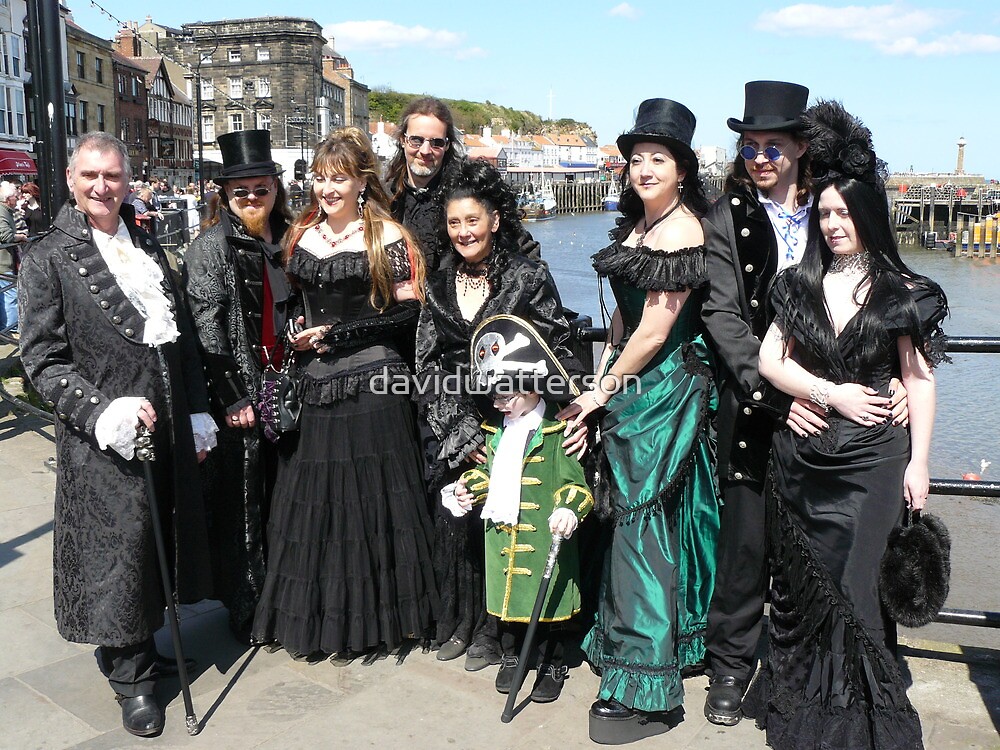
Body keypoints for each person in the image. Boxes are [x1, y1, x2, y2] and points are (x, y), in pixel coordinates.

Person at [741, 101, 947, 750]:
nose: (833, 223)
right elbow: (768, 359)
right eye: (824, 213)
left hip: (875, 467)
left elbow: (920, 379)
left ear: (868, 217)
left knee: (859, 597)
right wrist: (828, 390)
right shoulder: (799, 284)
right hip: (805, 466)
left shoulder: (898, 291)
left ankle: (867, 728)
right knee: (811, 597)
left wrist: (919, 463)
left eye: (844, 213)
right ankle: (815, 720)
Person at [16, 132, 217, 737]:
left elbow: (176, 344)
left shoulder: (150, 247)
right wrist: (103, 411)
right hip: (102, 435)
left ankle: (141, 645)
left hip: (164, 425)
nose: (102, 187)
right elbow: (42, 361)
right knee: (117, 552)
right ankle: (130, 678)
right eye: (90, 177)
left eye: (112, 176)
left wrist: (197, 412)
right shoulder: (46, 256)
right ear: (72, 181)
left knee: (155, 539)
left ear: (127, 181)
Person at [558, 98, 720, 743]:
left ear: (682, 170)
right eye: (637, 159)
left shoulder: (682, 231)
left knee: (643, 531)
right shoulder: (637, 228)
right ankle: (651, 649)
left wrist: (602, 393)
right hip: (635, 385)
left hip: (668, 388)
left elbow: (656, 329)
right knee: (640, 527)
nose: (644, 169)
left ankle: (648, 692)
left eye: (659, 159)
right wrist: (603, 381)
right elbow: (625, 323)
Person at [251, 127, 436, 662]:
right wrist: (297, 334)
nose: (327, 188)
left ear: (362, 181)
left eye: (339, 178)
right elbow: (288, 304)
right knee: (320, 501)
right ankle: (320, 616)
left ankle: (380, 620)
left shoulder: (388, 236)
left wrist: (339, 334)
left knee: (371, 501)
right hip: (314, 381)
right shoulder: (301, 233)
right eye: (320, 177)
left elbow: (409, 312)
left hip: (375, 381)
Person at [414, 158, 584, 671]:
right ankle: (461, 623)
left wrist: (570, 408)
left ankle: (497, 633)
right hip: (452, 419)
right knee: (459, 523)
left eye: (473, 220)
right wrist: (456, 426)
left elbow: (559, 343)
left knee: (508, 522)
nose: (464, 231)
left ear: (494, 219)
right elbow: (423, 362)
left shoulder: (528, 274)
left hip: (514, 415)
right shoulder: (437, 283)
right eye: (454, 222)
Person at [699, 80, 816, 725]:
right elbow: (722, 313)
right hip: (751, 401)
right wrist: (772, 390)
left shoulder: (831, 212)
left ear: (800, 146)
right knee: (743, 541)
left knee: (811, 540)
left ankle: (803, 662)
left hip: (825, 401)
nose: (761, 156)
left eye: (774, 145)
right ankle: (731, 666)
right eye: (750, 145)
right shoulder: (726, 216)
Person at [184, 130, 294, 638]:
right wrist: (233, 396)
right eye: (241, 193)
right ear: (224, 196)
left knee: (286, 495)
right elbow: (207, 326)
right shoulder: (208, 249)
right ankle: (248, 605)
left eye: (260, 189)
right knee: (245, 504)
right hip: (245, 395)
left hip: (293, 386)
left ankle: (289, 592)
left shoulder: (292, 238)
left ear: (276, 188)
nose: (252, 199)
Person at [450, 315, 593, 703]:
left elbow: (576, 485)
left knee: (549, 610)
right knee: (510, 607)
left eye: (506, 395)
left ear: (531, 387)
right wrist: (470, 488)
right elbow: (487, 471)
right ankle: (513, 657)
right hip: (502, 535)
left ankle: (553, 663)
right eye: (493, 395)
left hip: (545, 536)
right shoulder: (496, 428)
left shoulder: (555, 430)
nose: (498, 403)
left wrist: (568, 509)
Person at [384, 97, 467, 271]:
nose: (425, 151)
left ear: (447, 146)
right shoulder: (382, 197)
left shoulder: (467, 194)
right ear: (402, 140)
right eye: (416, 140)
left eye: (436, 143)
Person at [0, 181, 17, 334]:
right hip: (3, 263)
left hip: (5, 262)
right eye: (15, 197)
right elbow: (6, 236)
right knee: (10, 296)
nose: (17, 199)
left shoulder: (6, 211)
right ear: (8, 198)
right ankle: (11, 330)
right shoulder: (2, 211)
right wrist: (19, 237)